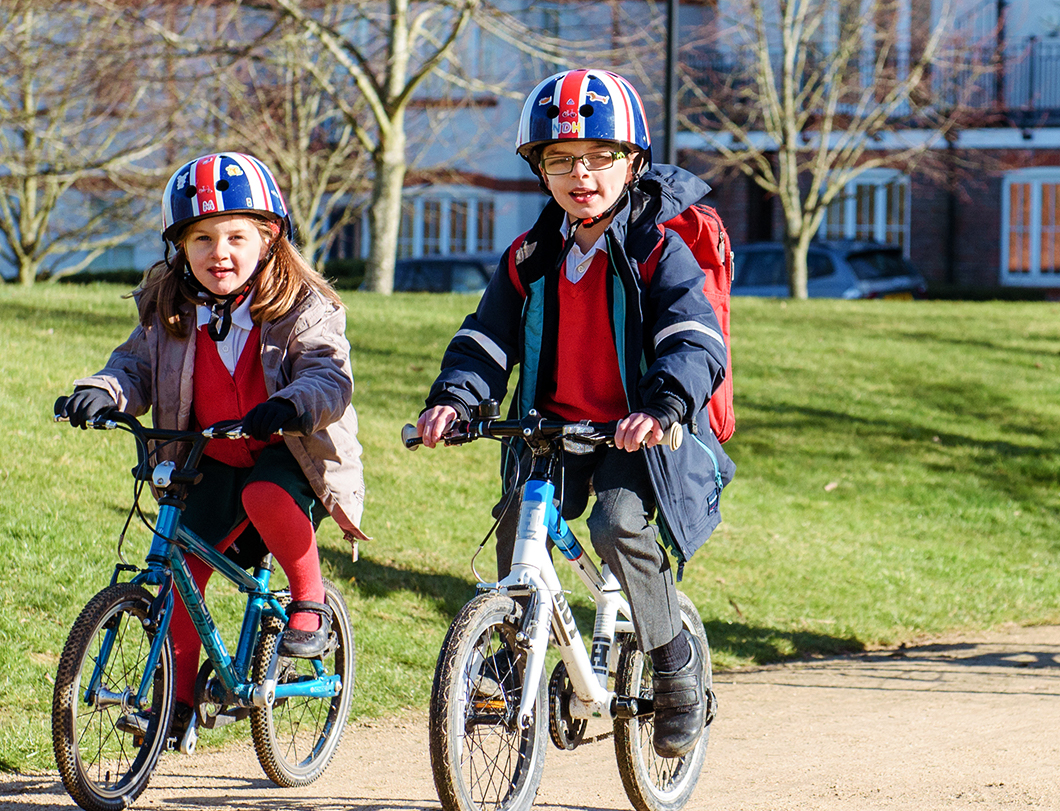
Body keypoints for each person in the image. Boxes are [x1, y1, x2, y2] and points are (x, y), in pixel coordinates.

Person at [415, 69, 733, 758]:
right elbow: (487, 339)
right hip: (552, 425)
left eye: (599, 157)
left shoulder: (658, 248)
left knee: (618, 521)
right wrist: (455, 399)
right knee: (515, 525)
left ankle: (675, 668)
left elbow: (693, 335)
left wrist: (665, 402)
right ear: (541, 171)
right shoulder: (531, 255)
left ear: (633, 162)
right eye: (560, 161)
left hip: (638, 430)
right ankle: (514, 652)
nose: (579, 174)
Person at [63, 151, 368, 735]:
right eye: (201, 239)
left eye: (235, 237)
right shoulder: (171, 306)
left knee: (266, 497)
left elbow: (329, 375)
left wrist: (291, 404)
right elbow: (134, 366)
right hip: (208, 456)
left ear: (270, 238)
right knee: (180, 579)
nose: (218, 254)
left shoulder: (304, 306)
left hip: (287, 449)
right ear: (181, 248)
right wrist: (103, 391)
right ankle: (174, 707)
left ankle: (308, 601)